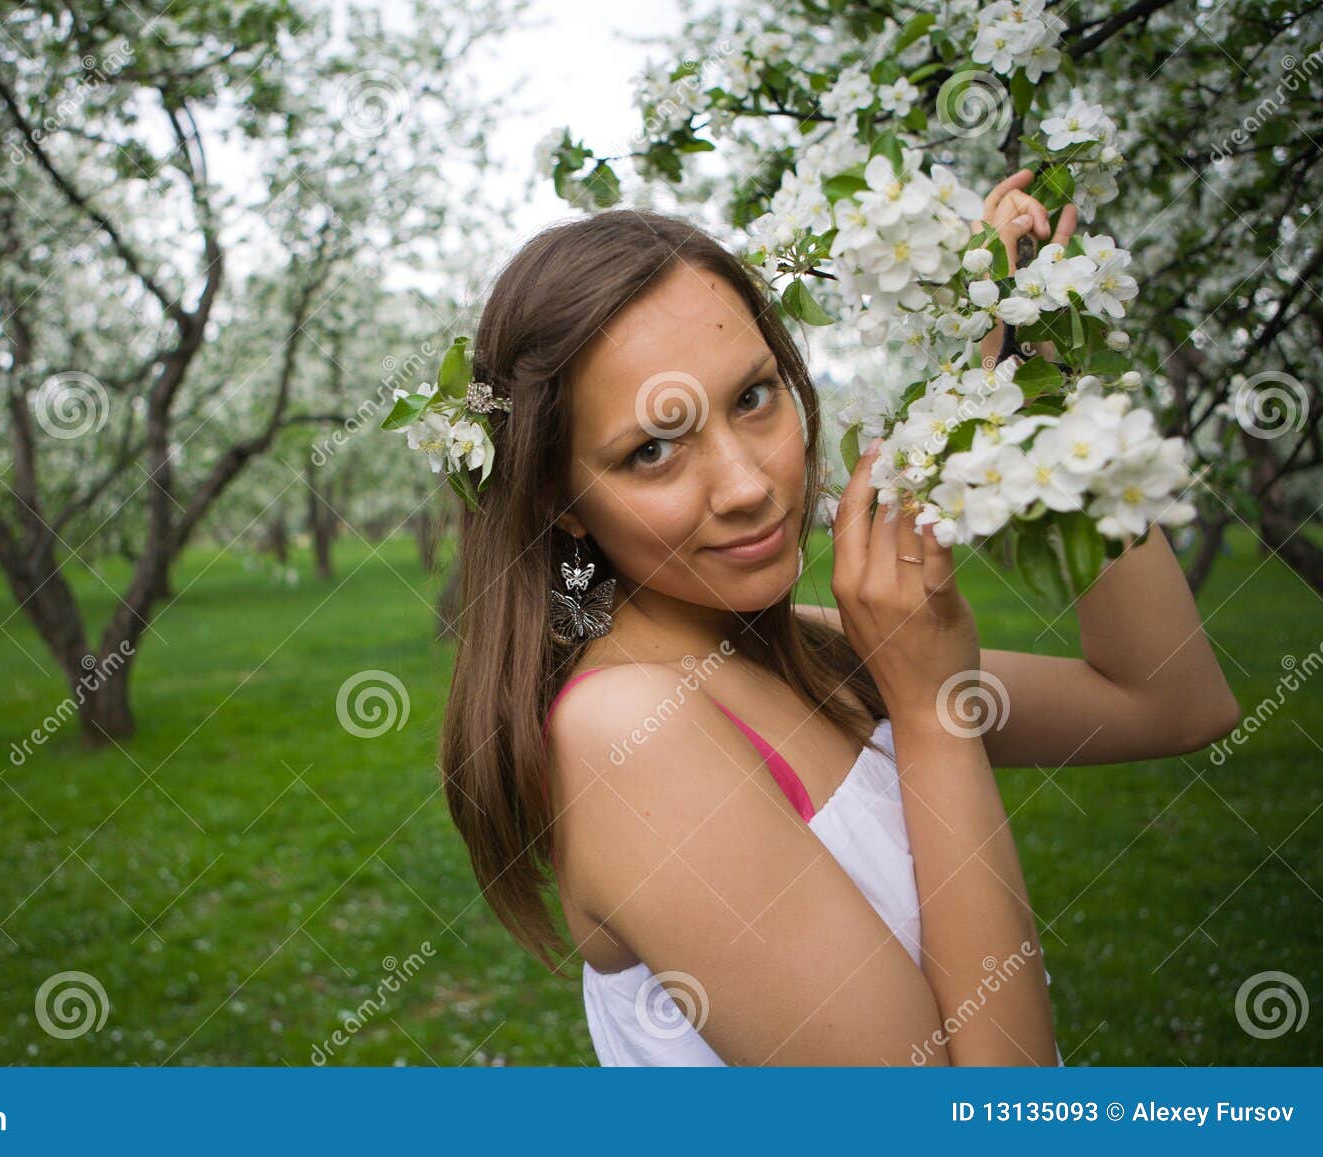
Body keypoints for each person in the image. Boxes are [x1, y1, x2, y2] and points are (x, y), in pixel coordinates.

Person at [432, 186, 1241, 1066]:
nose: (747, 484)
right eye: (652, 451)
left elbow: (1167, 700)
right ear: (563, 503)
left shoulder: (799, 651)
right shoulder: (628, 738)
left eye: (753, 397)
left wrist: (1041, 382)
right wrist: (932, 715)